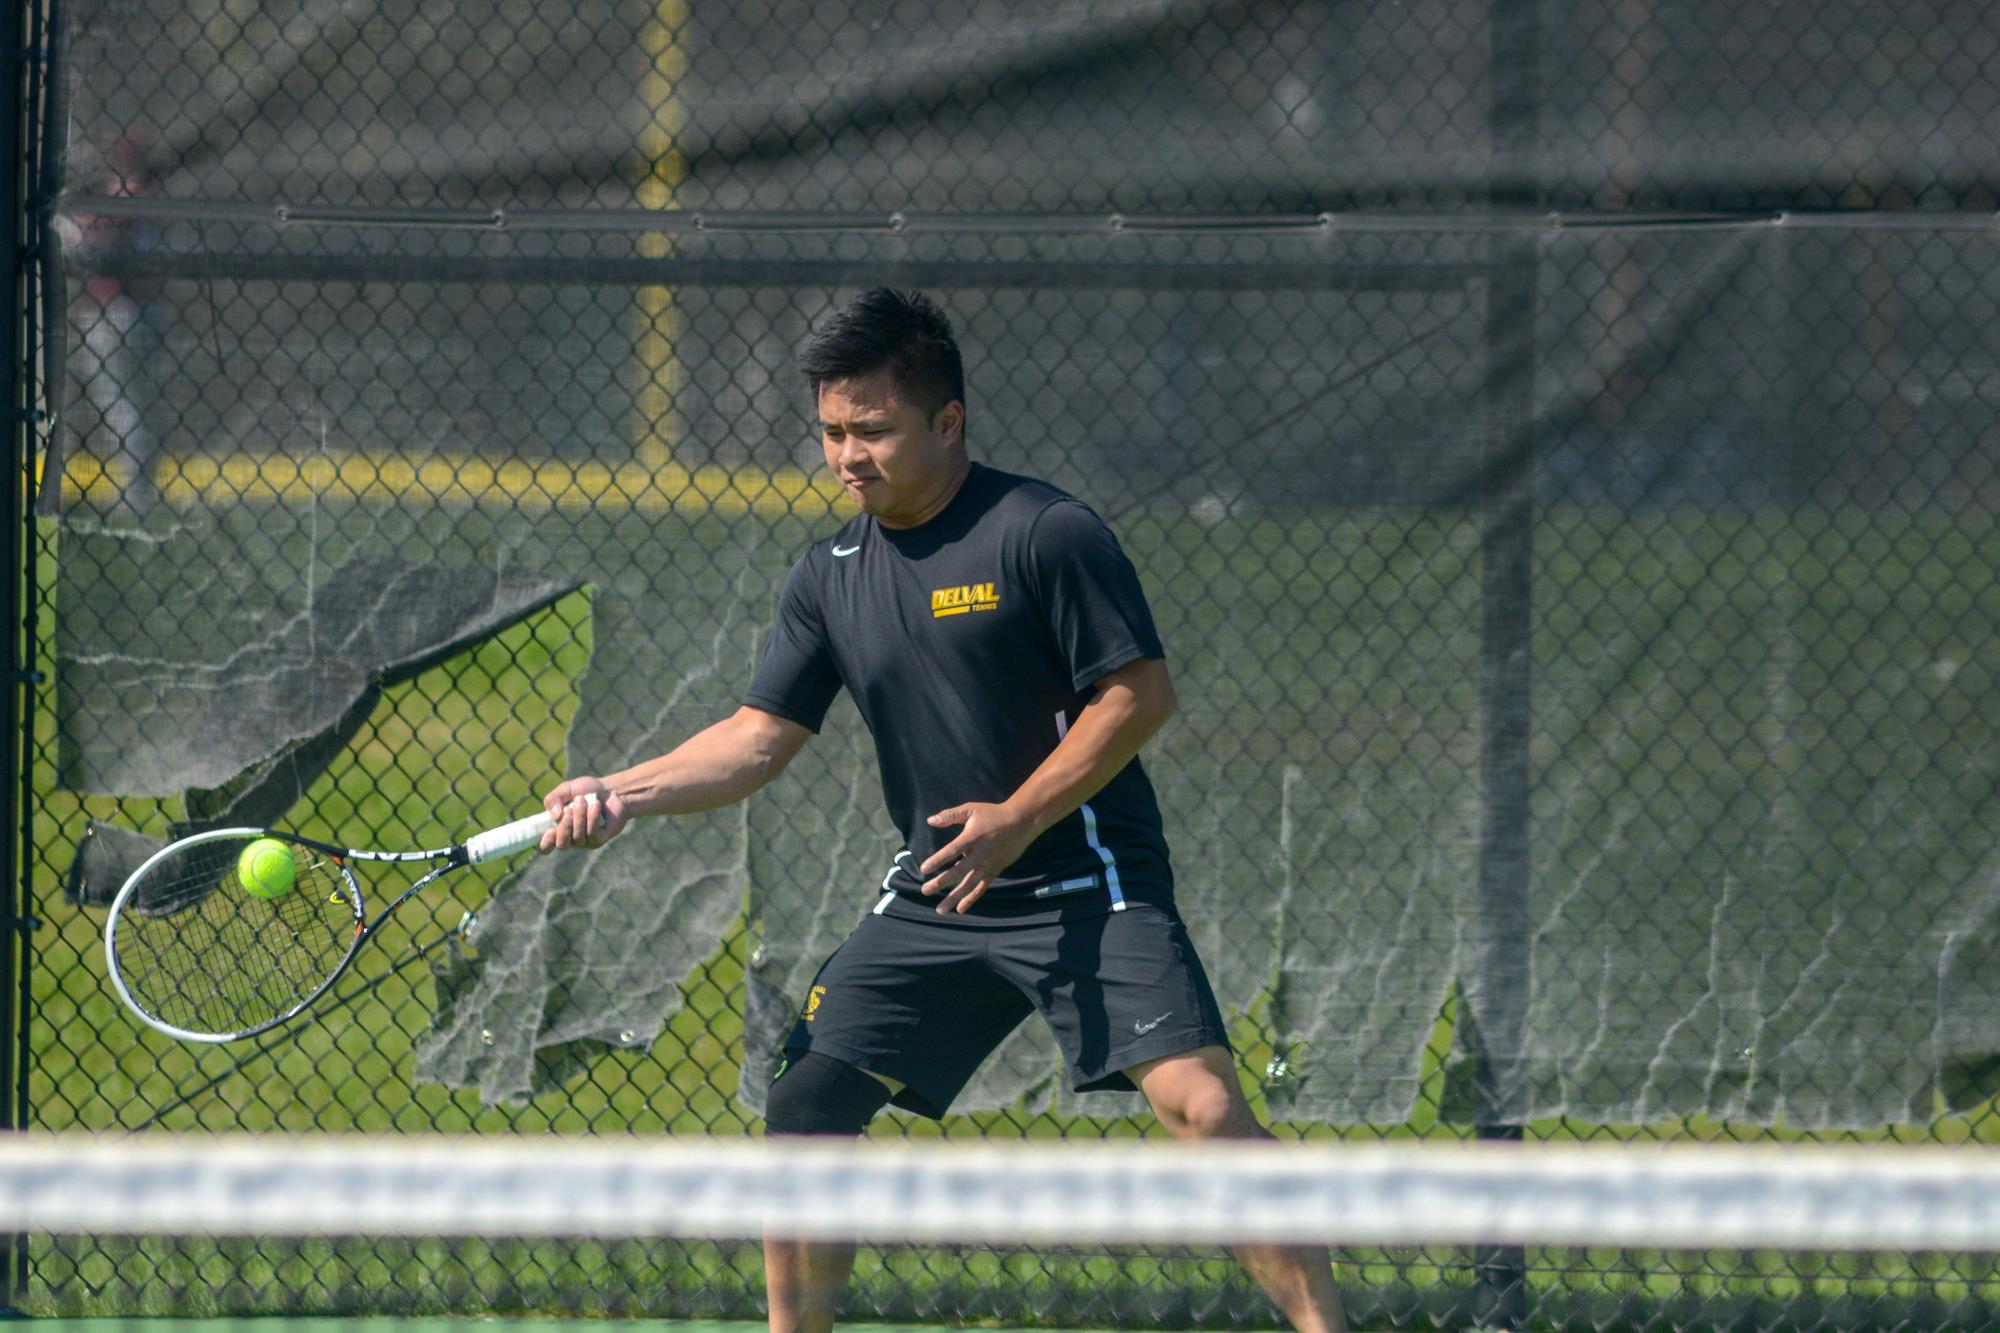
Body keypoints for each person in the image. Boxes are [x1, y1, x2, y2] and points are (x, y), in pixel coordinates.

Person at [538, 289, 1348, 1333]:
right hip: (938, 894)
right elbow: (754, 739)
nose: (845, 456)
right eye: (830, 432)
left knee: (1198, 1105)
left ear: (947, 422)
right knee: (805, 1106)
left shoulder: (1044, 533)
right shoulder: (828, 576)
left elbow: (1137, 696)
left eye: (870, 429)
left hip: (1085, 884)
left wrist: (1016, 815)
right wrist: (621, 791)